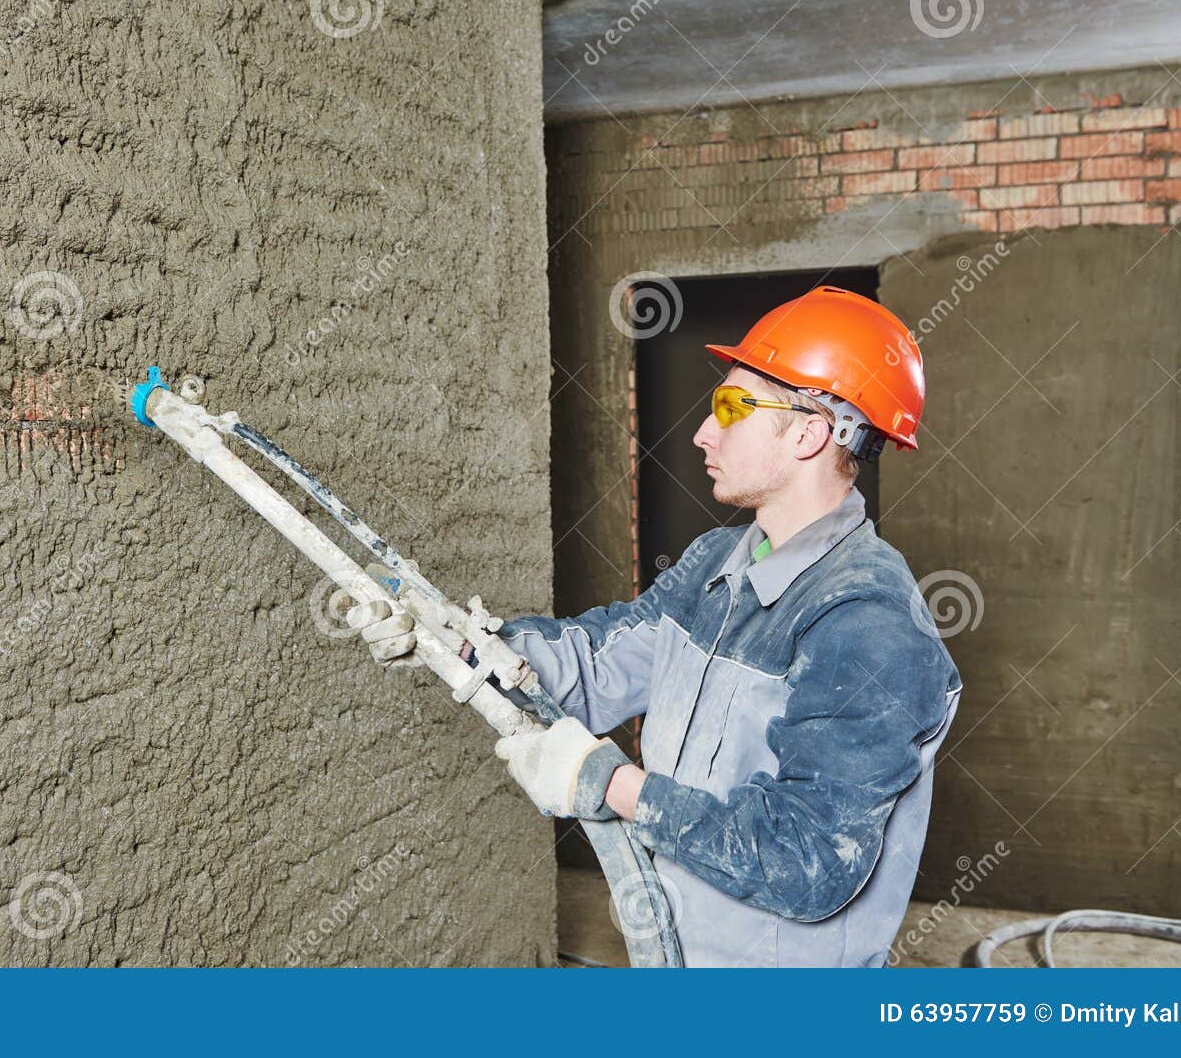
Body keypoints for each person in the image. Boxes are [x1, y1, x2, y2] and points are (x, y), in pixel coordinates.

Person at [350, 286, 961, 967]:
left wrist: (607, 783)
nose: (705, 431)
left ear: (811, 433)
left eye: (733, 407)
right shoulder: (715, 561)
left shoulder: (869, 619)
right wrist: (456, 644)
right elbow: (600, 667)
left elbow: (808, 860)